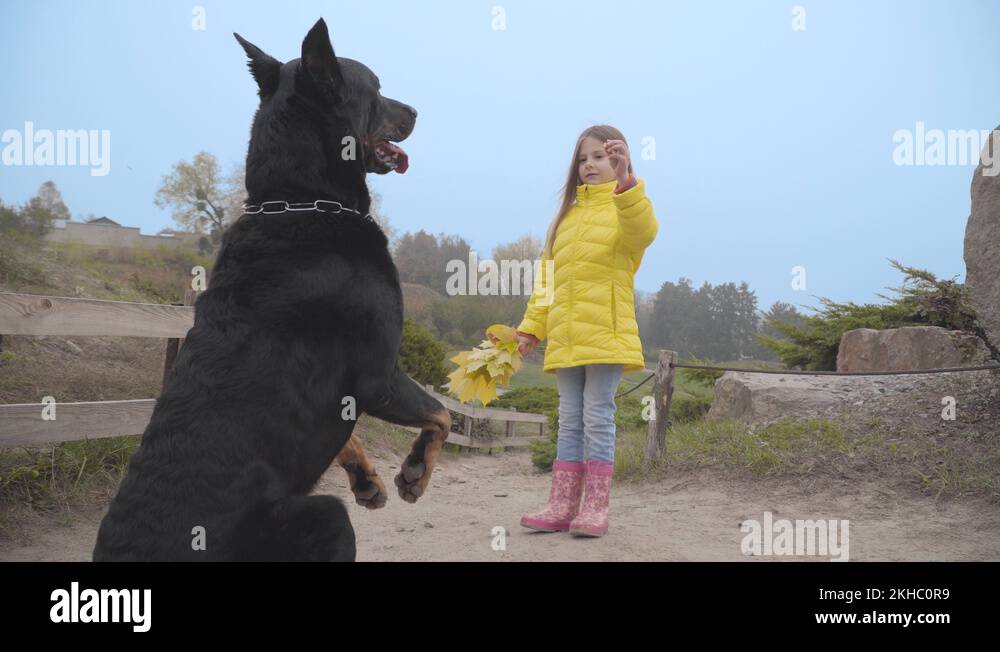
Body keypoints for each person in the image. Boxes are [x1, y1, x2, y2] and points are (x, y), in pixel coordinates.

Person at [516, 124, 659, 537]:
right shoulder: (563, 219)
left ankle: (595, 509)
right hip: (565, 337)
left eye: (600, 156)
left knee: (598, 416)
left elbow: (645, 231)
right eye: (583, 158)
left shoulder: (625, 207)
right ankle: (562, 505)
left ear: (617, 160)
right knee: (570, 420)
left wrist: (628, 180)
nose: (590, 165)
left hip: (606, 334)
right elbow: (546, 284)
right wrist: (530, 331)